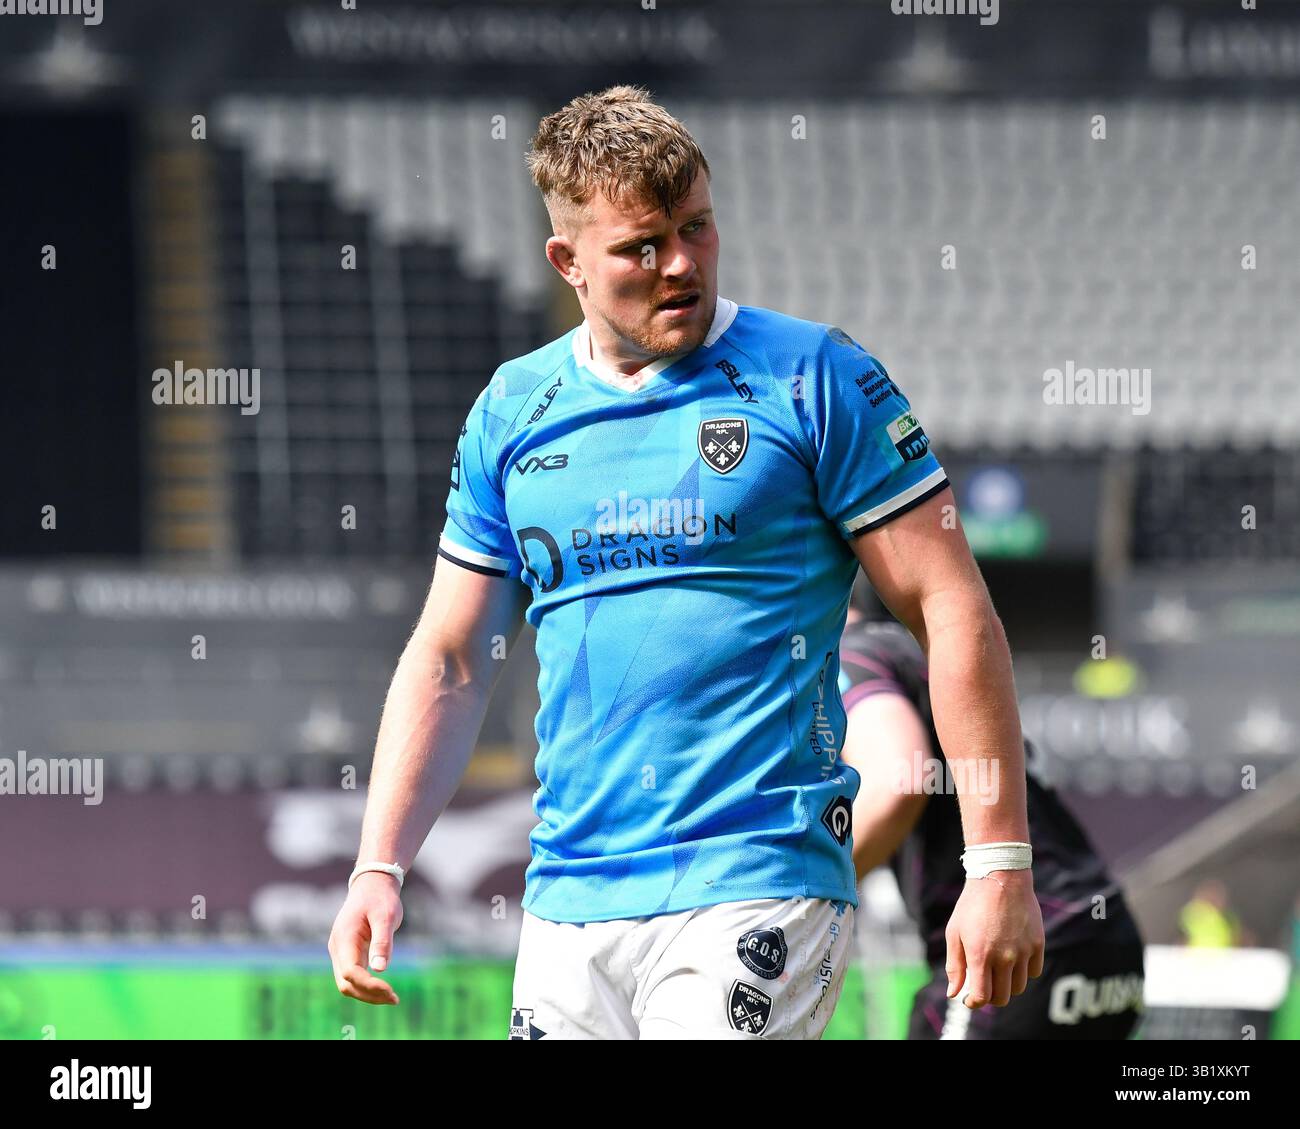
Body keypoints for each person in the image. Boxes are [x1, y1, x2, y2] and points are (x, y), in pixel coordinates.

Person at [328, 85, 1043, 1039]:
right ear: (566, 262)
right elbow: (451, 657)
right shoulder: (511, 410)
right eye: (641, 247)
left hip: (757, 879)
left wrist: (998, 862)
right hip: (569, 900)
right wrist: (379, 864)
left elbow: (953, 609)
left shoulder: (816, 378)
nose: (680, 266)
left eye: (697, 229)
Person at [839, 577, 1145, 1038]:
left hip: (1019, 955)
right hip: (1107, 943)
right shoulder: (920, 654)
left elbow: (899, 780)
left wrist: (815, 888)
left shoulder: (852, 655)